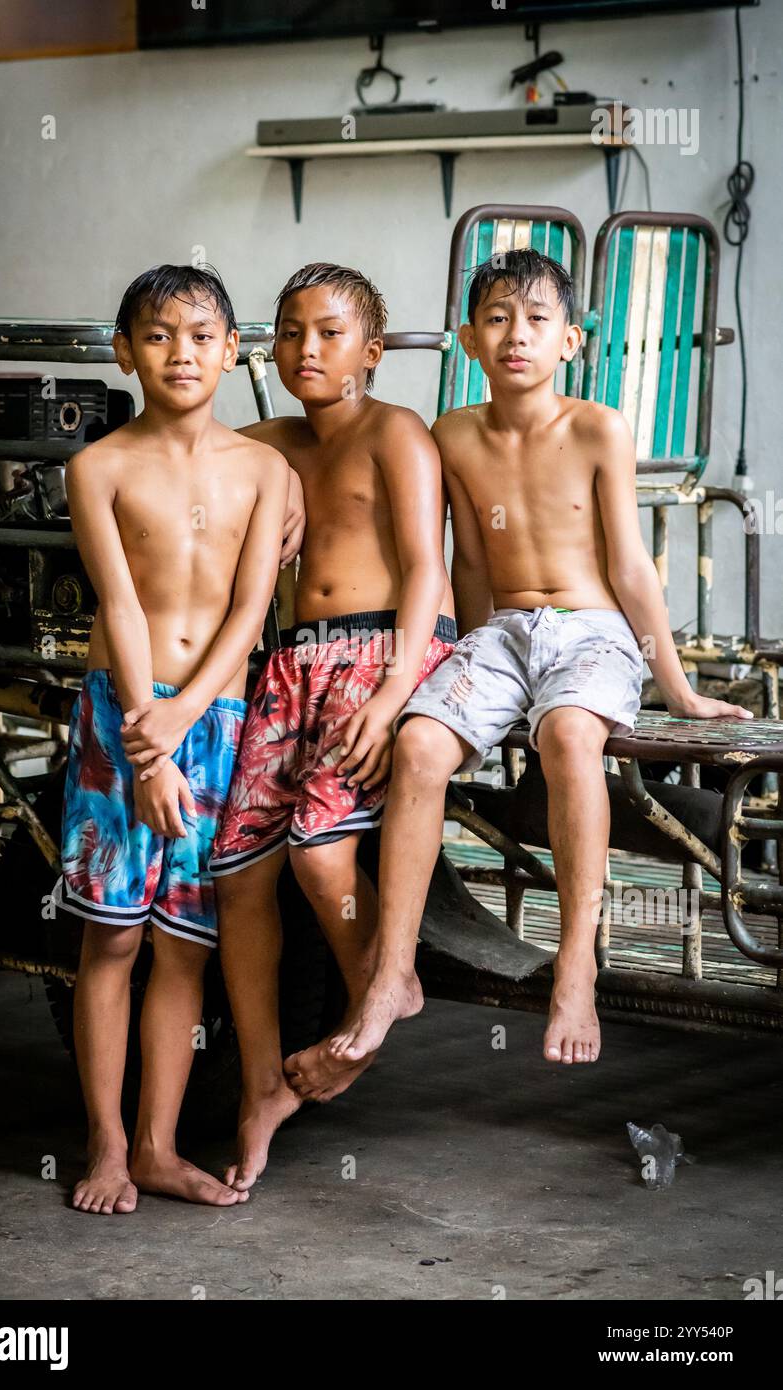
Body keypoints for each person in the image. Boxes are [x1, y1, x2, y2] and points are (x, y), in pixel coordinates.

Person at [326, 247, 752, 1074]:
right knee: (417, 745)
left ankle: (575, 966)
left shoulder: (597, 428)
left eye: (537, 319)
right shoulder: (452, 436)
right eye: (496, 319)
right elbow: (470, 570)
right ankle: (392, 968)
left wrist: (679, 689)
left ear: (570, 341)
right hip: (502, 636)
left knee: (566, 736)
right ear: (469, 340)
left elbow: (630, 567)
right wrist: (455, 678)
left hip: (592, 630)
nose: (516, 335)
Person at [208, 263, 456, 1190]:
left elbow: (428, 573)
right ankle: (262, 1085)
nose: (306, 350)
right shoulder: (268, 443)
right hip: (291, 665)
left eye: (329, 333)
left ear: (372, 352)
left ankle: (380, 995)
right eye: (288, 333)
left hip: (385, 656)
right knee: (238, 870)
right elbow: (189, 452)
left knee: (319, 853)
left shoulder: (397, 432)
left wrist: (393, 697)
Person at [54, 263, 293, 1213]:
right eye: (157, 336)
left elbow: (249, 612)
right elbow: (117, 605)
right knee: (111, 940)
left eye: (201, 336)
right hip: (123, 720)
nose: (180, 353)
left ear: (232, 354)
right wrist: (147, 751)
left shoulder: (264, 470)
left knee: (184, 946)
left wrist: (186, 720)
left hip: (217, 718)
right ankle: (107, 1147)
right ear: (124, 352)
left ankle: (158, 1145)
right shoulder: (98, 467)